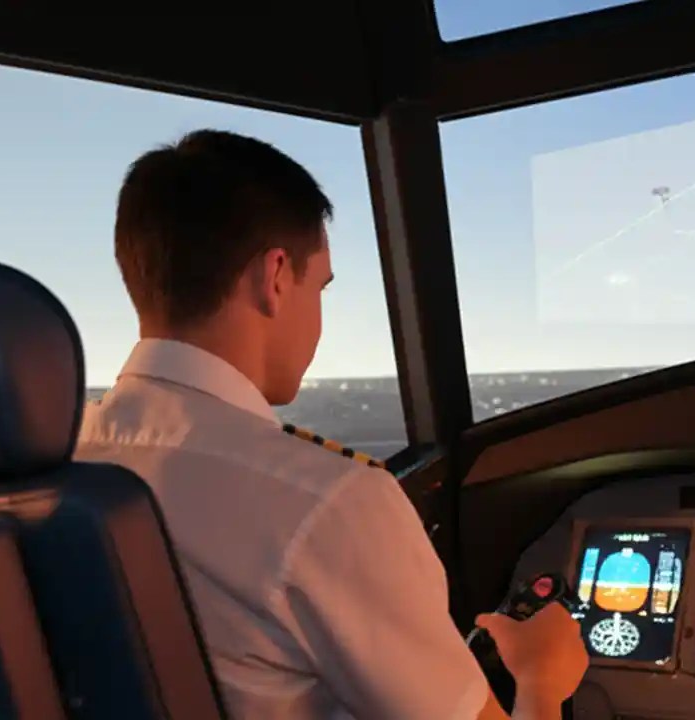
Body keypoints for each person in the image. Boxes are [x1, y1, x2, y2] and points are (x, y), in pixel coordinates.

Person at [75, 129, 588, 719]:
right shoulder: (328, 505)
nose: (318, 317)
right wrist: (542, 678)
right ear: (274, 278)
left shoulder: (54, 466)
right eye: (318, 286)